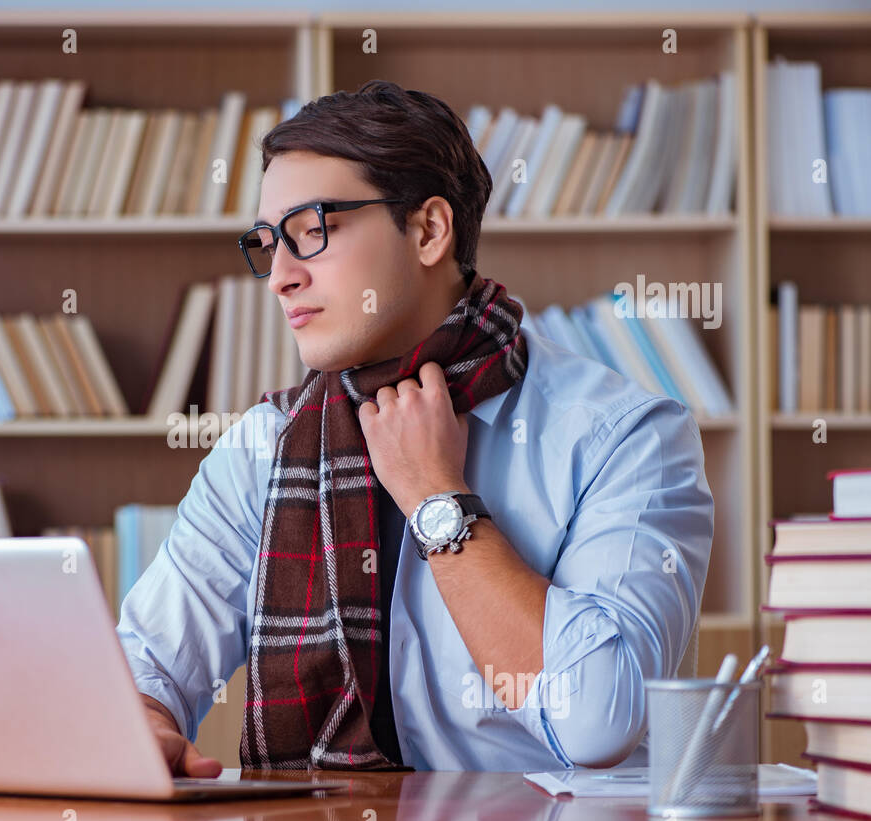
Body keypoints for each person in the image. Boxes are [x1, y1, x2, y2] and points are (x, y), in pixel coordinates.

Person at [118, 79, 714, 776]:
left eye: (311, 230)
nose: (278, 276)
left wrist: (438, 497)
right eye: (267, 243)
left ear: (429, 230)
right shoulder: (264, 447)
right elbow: (146, 665)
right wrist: (142, 721)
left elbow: (597, 719)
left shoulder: (628, 438)